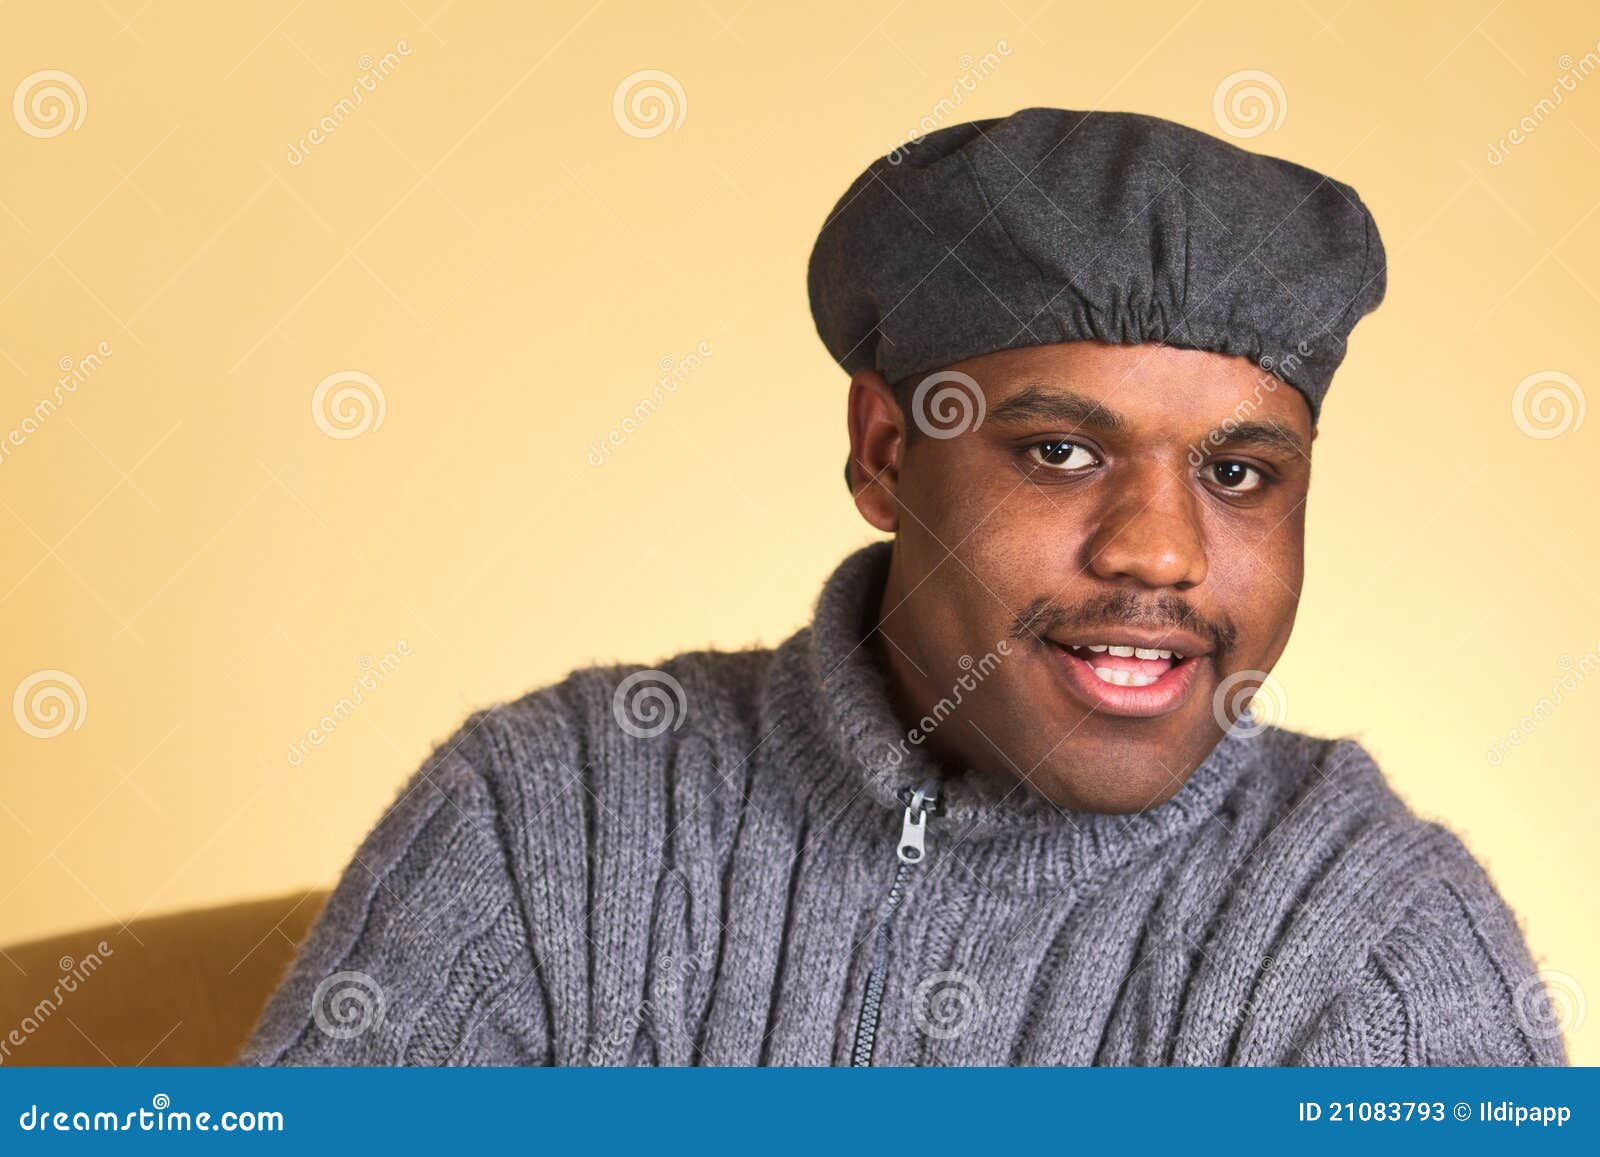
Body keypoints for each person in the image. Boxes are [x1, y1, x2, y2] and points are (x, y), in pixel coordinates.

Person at [239, 108, 1566, 1066]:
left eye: (1237, 473)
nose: (1160, 552)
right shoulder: (552, 826)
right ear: (886, 451)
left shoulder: (1371, 943)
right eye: (1060, 451)